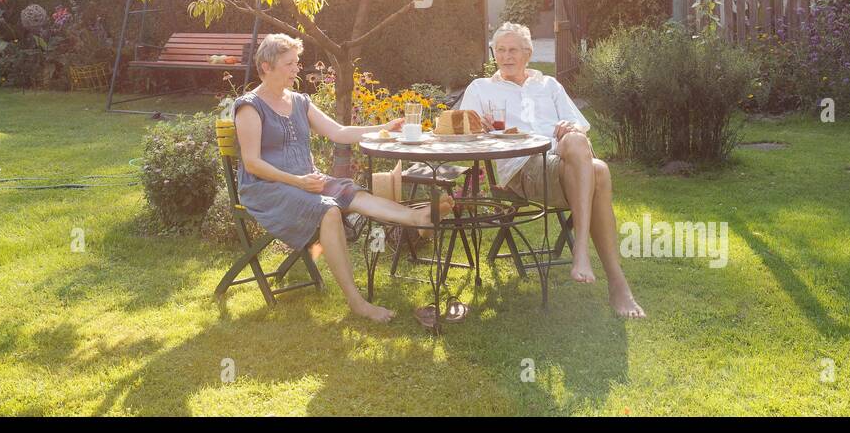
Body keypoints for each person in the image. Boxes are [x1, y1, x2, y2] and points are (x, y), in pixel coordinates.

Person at [232, 33, 438, 323]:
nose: (296, 69)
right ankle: (357, 303)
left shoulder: (300, 102)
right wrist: (298, 182)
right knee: (328, 209)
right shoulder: (250, 106)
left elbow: (338, 132)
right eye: (289, 64)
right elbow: (252, 163)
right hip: (266, 188)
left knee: (352, 193)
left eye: (296, 63)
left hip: (307, 181)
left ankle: (416, 219)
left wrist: (385, 127)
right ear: (266, 66)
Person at [460, 22, 646, 319]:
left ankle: (585, 255)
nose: (506, 56)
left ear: (528, 54)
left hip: (562, 162)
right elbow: (461, 130)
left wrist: (570, 127)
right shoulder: (481, 89)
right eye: (500, 50)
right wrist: (475, 127)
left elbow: (580, 126)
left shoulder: (549, 85)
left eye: (513, 50)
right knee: (600, 171)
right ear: (494, 53)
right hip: (522, 168)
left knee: (576, 140)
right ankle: (614, 281)